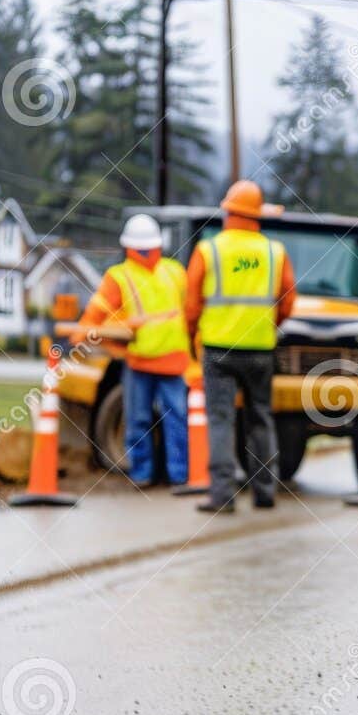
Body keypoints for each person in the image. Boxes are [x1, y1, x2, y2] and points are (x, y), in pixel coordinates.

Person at [184, 180, 296, 513]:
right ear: (257, 214)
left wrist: (193, 335)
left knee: (221, 420)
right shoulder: (274, 252)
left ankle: (222, 495)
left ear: (229, 211)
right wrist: (269, 325)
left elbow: (191, 305)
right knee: (260, 417)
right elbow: (289, 300)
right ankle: (264, 491)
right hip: (261, 350)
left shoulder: (209, 250)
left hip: (219, 349)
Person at [78, 214, 190, 487]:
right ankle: (156, 474)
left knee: (166, 420)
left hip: (169, 360)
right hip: (140, 361)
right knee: (148, 419)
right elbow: (98, 316)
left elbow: (191, 311)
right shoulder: (123, 277)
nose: (147, 253)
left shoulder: (173, 272)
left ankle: (171, 474)